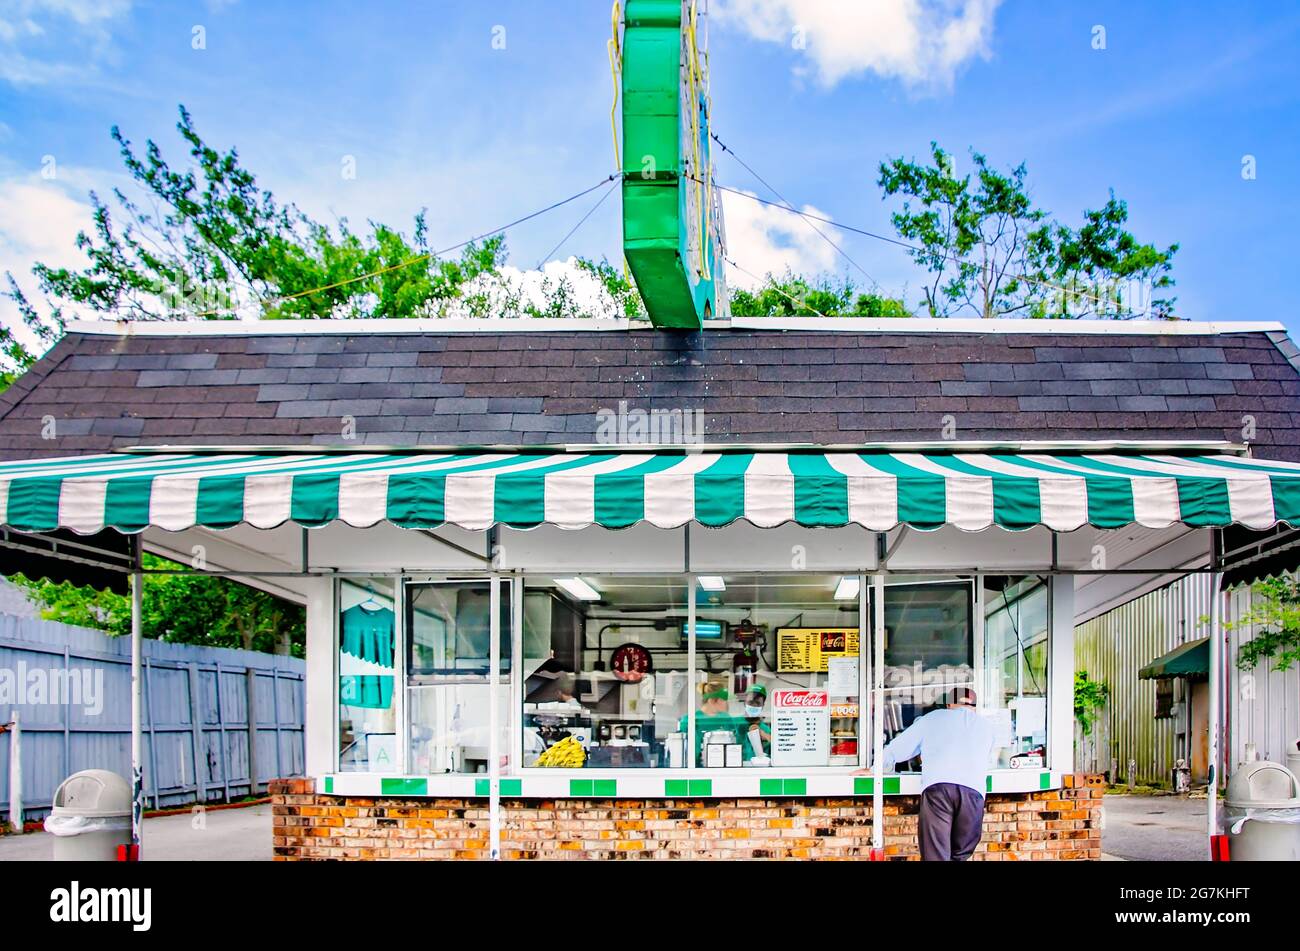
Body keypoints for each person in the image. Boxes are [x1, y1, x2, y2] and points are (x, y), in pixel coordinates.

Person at [871, 686, 995, 861]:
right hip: (973, 793)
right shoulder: (987, 727)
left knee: (936, 854)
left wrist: (874, 768)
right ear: (974, 706)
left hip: (939, 789)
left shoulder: (933, 718)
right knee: (960, 855)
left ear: (949, 704)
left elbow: (898, 748)